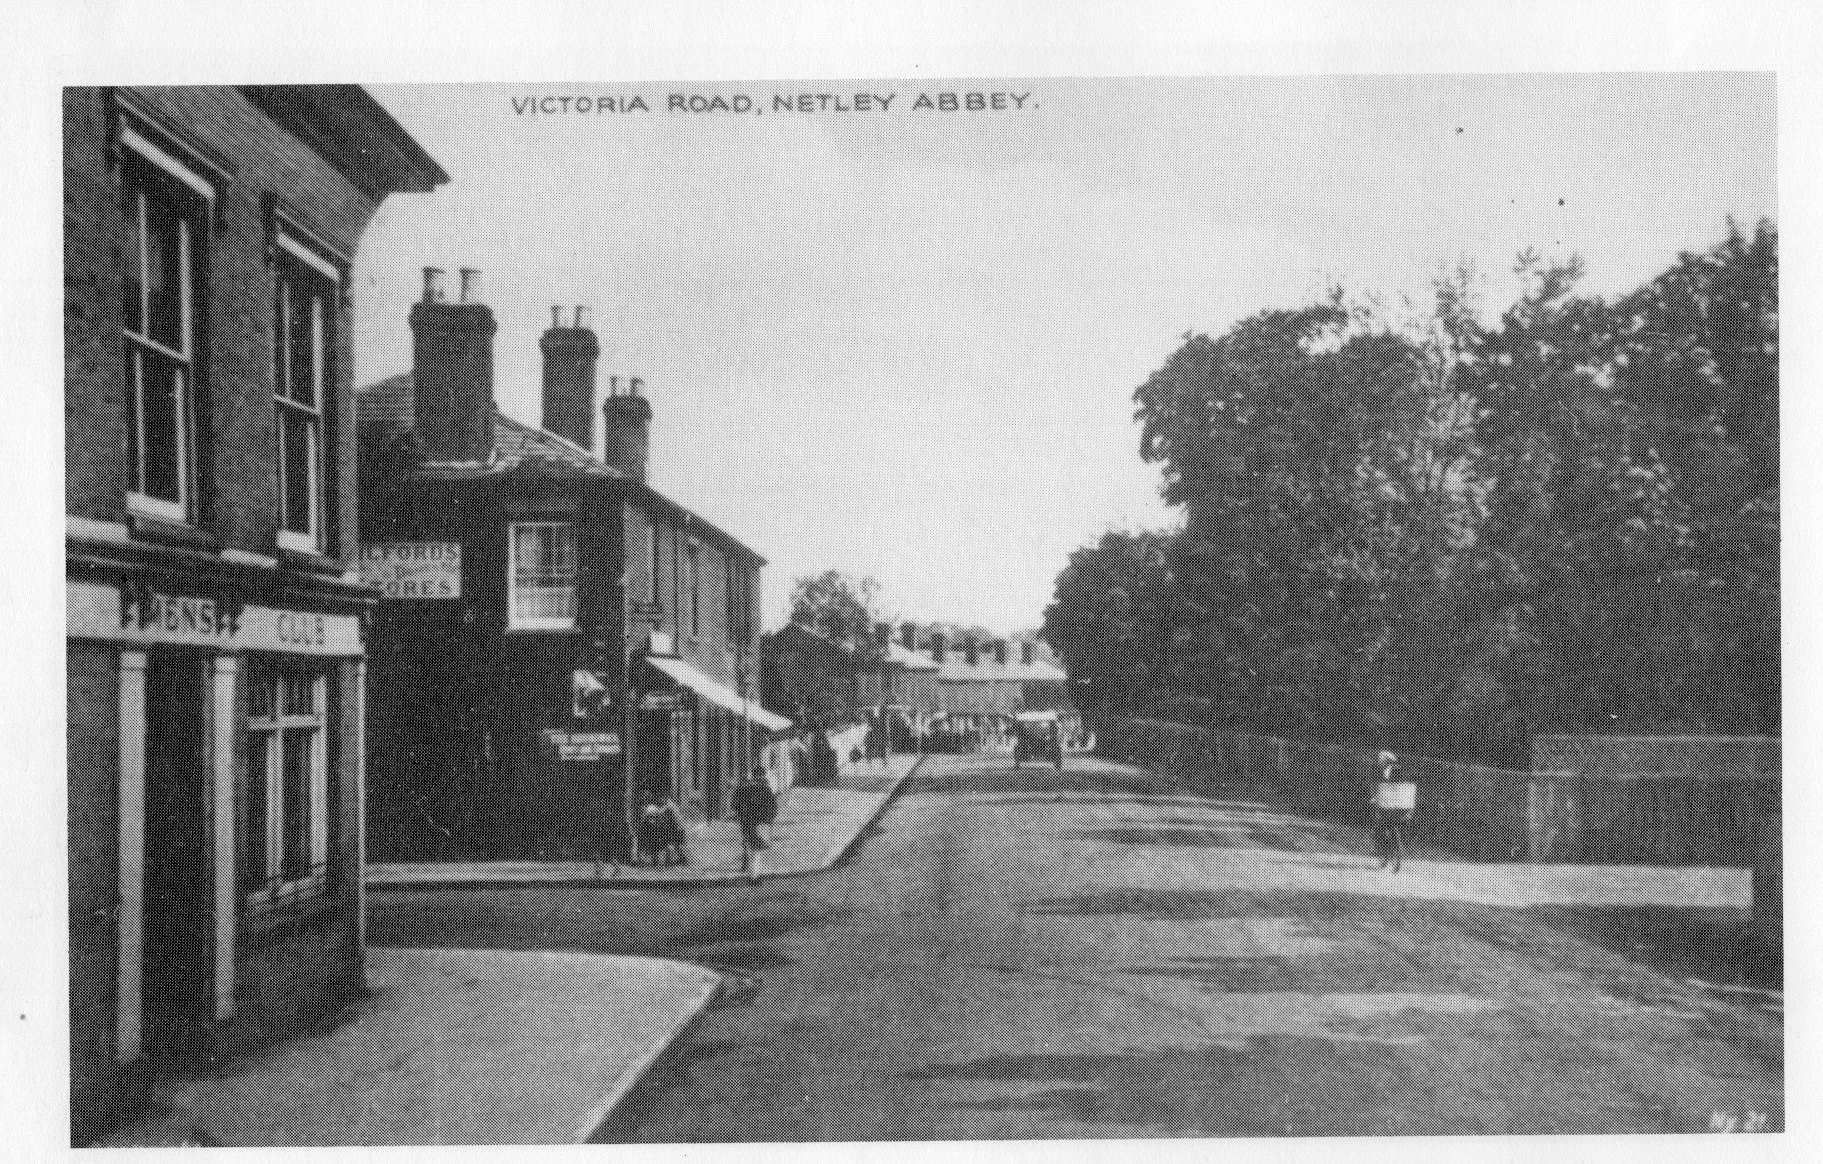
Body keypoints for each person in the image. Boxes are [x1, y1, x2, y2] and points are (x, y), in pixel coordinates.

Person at [1371, 750, 1416, 873]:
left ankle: (1399, 849)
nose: (1380, 763)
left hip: (1397, 803)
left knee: (1403, 823)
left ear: (1388, 761)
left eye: (1382, 761)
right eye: (1380, 761)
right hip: (1384, 802)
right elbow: (1374, 785)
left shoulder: (1398, 771)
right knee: (1379, 825)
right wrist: (1373, 797)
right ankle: (1380, 848)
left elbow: (1406, 785)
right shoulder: (1377, 772)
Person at [731, 765, 779, 876]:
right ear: (762, 775)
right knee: (757, 848)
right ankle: (754, 874)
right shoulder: (765, 788)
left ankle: (747, 866)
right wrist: (769, 819)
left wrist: (740, 811)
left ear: (753, 774)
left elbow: (734, 804)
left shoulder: (743, 786)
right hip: (760, 822)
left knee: (747, 842)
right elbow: (773, 807)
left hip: (745, 820)